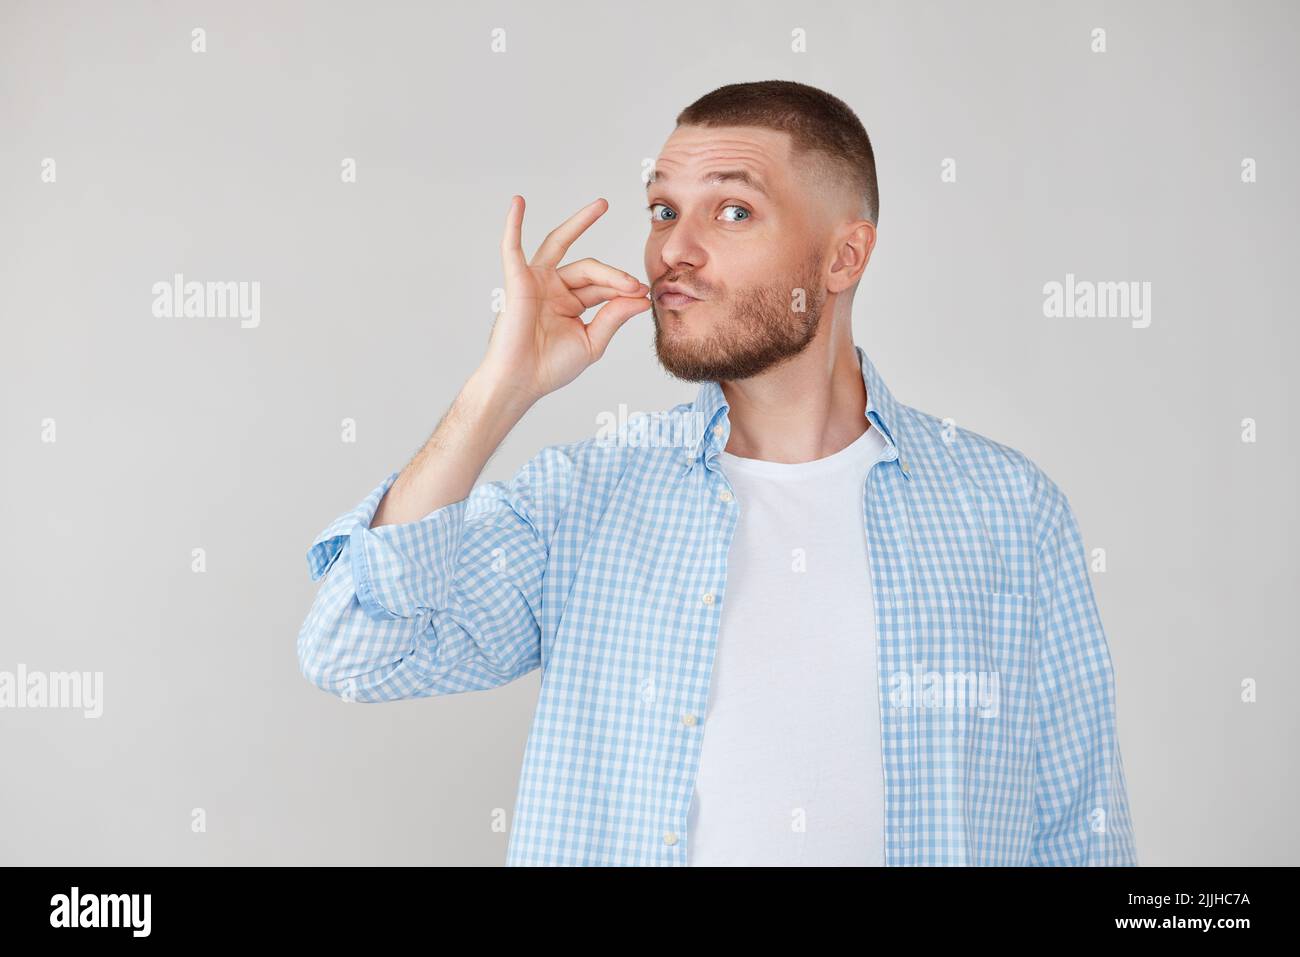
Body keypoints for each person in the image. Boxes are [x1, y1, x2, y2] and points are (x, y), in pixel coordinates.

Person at [298, 79, 1138, 867]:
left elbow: (1079, 828)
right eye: (663, 210)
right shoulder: (585, 498)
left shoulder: (1009, 510)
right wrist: (497, 391)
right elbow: (355, 651)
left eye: (733, 210)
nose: (674, 251)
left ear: (845, 258)